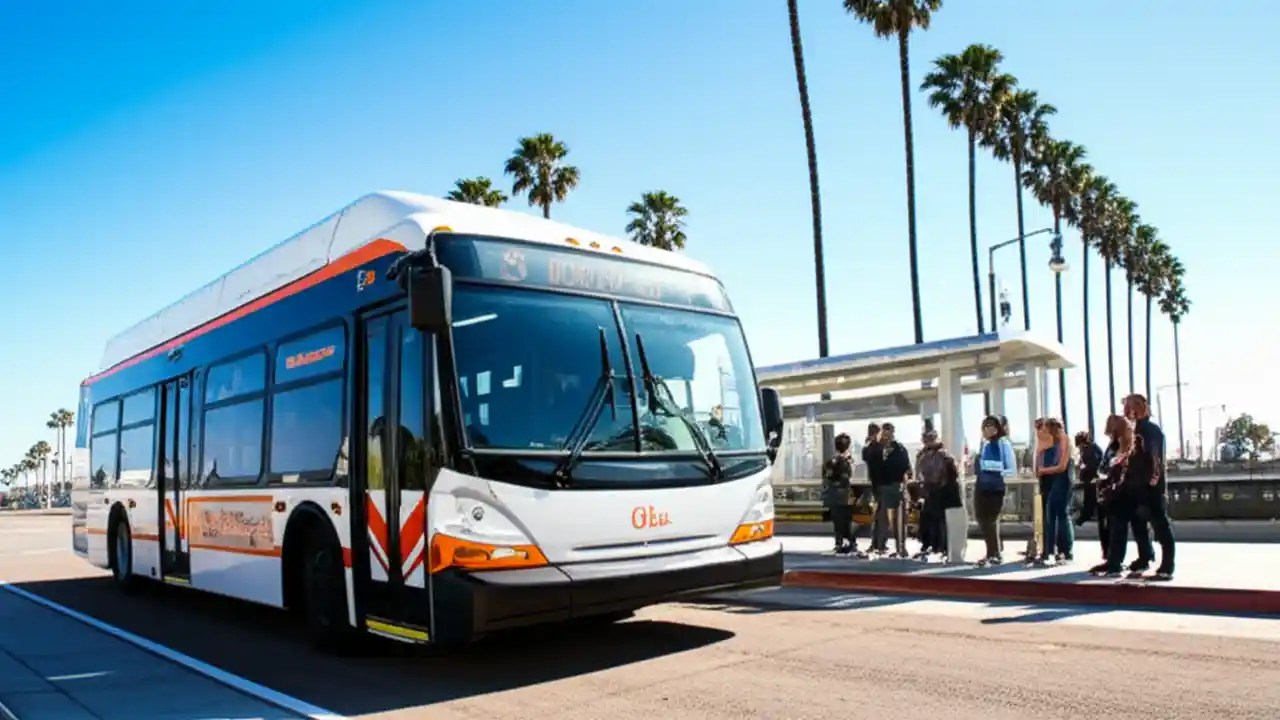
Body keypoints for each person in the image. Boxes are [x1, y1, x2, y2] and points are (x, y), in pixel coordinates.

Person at [1124, 394, 1175, 579]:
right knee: (1138, 522)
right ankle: (1145, 557)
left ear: (1135, 408)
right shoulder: (1135, 429)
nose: (1124, 410)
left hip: (1150, 486)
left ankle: (1168, 565)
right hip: (1137, 485)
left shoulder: (1149, 430)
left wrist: (1153, 478)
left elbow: (1155, 457)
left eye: (1127, 406)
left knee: (1159, 523)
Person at [974, 415, 1016, 566]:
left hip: (995, 487)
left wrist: (987, 465)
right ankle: (990, 551)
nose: (988, 429)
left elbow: (1010, 468)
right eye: (985, 426)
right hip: (981, 485)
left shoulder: (1003, 443)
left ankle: (995, 553)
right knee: (981, 519)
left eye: (991, 425)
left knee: (990, 520)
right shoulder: (984, 444)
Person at [1034, 417, 1074, 565]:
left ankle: (1065, 550)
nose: (1042, 432)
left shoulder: (1065, 440)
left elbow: (1061, 466)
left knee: (1061, 513)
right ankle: (1049, 549)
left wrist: (1043, 470)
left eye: (1046, 429)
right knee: (1049, 514)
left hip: (1062, 479)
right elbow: (1037, 463)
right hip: (1049, 480)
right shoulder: (1047, 443)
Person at [914, 429, 958, 561]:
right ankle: (932, 545)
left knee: (937, 521)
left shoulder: (941, 456)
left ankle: (938, 546)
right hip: (932, 491)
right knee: (930, 520)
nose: (928, 441)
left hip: (938, 492)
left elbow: (944, 475)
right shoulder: (927, 455)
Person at [871, 422, 911, 558]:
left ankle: (901, 548)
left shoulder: (899, 449)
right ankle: (880, 546)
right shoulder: (877, 449)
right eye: (884, 433)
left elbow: (905, 467)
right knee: (881, 519)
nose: (885, 436)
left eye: (888, 433)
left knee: (897, 520)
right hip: (881, 487)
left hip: (895, 486)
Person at [822, 432, 864, 557]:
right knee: (846, 521)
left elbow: (825, 477)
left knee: (837, 522)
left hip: (832, 495)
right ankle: (849, 543)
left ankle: (839, 543)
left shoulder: (830, 461)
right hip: (844, 495)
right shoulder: (845, 462)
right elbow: (846, 479)